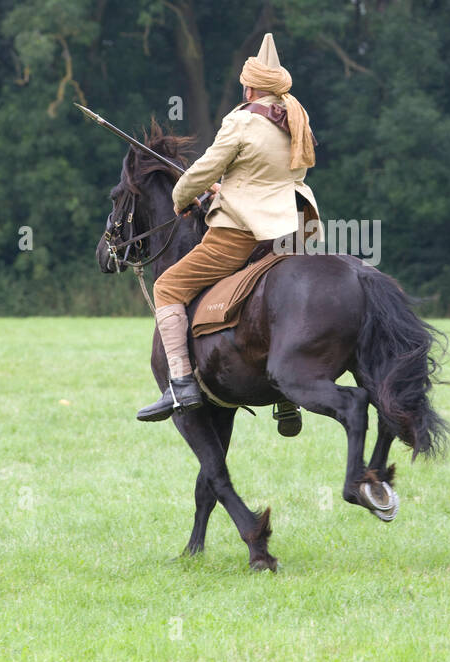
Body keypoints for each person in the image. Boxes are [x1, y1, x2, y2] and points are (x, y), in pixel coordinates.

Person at [137, 32, 320, 421]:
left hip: (242, 234)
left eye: (244, 82)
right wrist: (229, 187)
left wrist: (181, 197)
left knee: (167, 285)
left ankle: (181, 385)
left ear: (251, 85)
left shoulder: (241, 121)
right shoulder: (296, 116)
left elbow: (203, 169)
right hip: (293, 228)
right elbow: (267, 176)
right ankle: (286, 397)